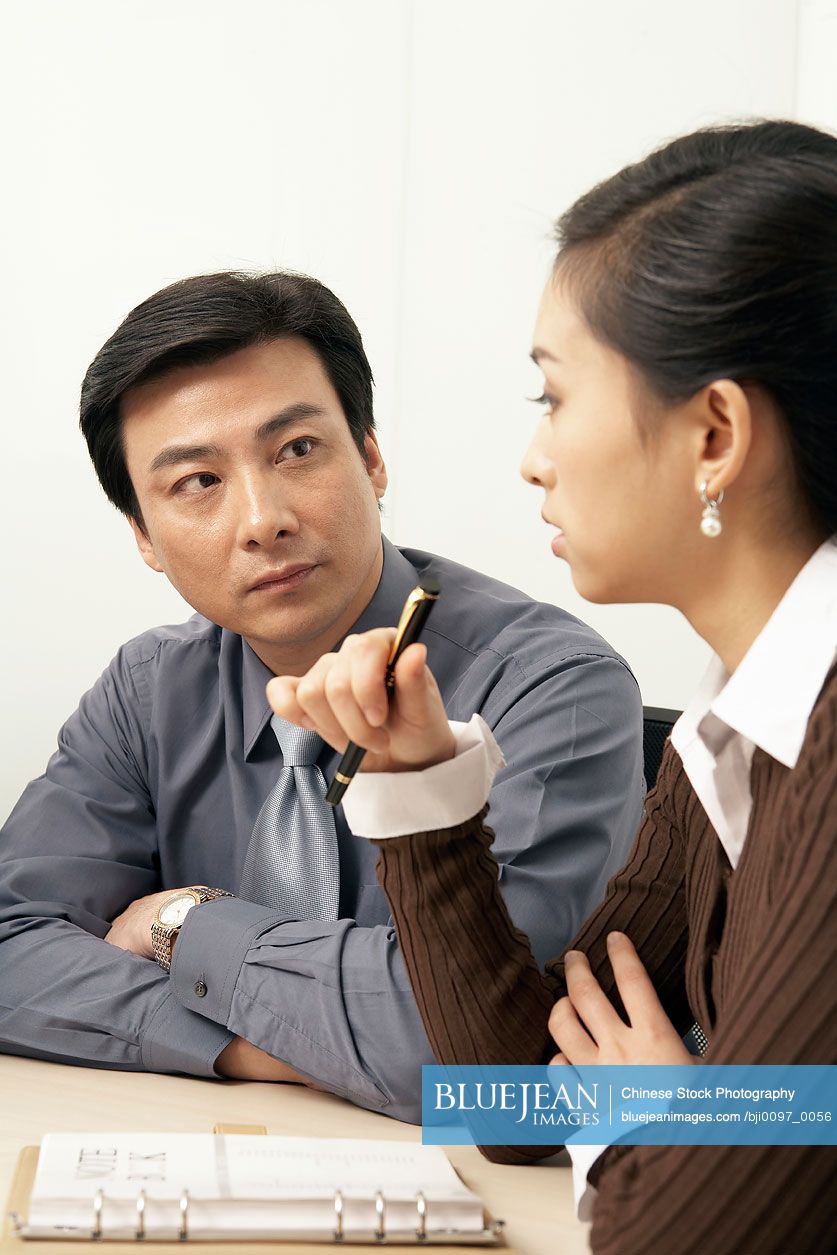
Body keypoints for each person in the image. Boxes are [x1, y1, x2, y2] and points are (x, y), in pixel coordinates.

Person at [266, 120, 837, 1250]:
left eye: (553, 398)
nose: (534, 457)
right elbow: (517, 1100)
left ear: (715, 433)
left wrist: (667, 1116)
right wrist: (418, 779)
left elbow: (686, 1234)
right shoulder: (739, 731)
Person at [0, 270, 644, 1123]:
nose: (262, 518)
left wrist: (187, 925)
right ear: (144, 537)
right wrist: (265, 1048)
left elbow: (476, 1050)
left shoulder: (551, 684)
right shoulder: (147, 691)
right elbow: (11, 947)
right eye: (197, 481)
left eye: (296, 449)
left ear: (371, 457)